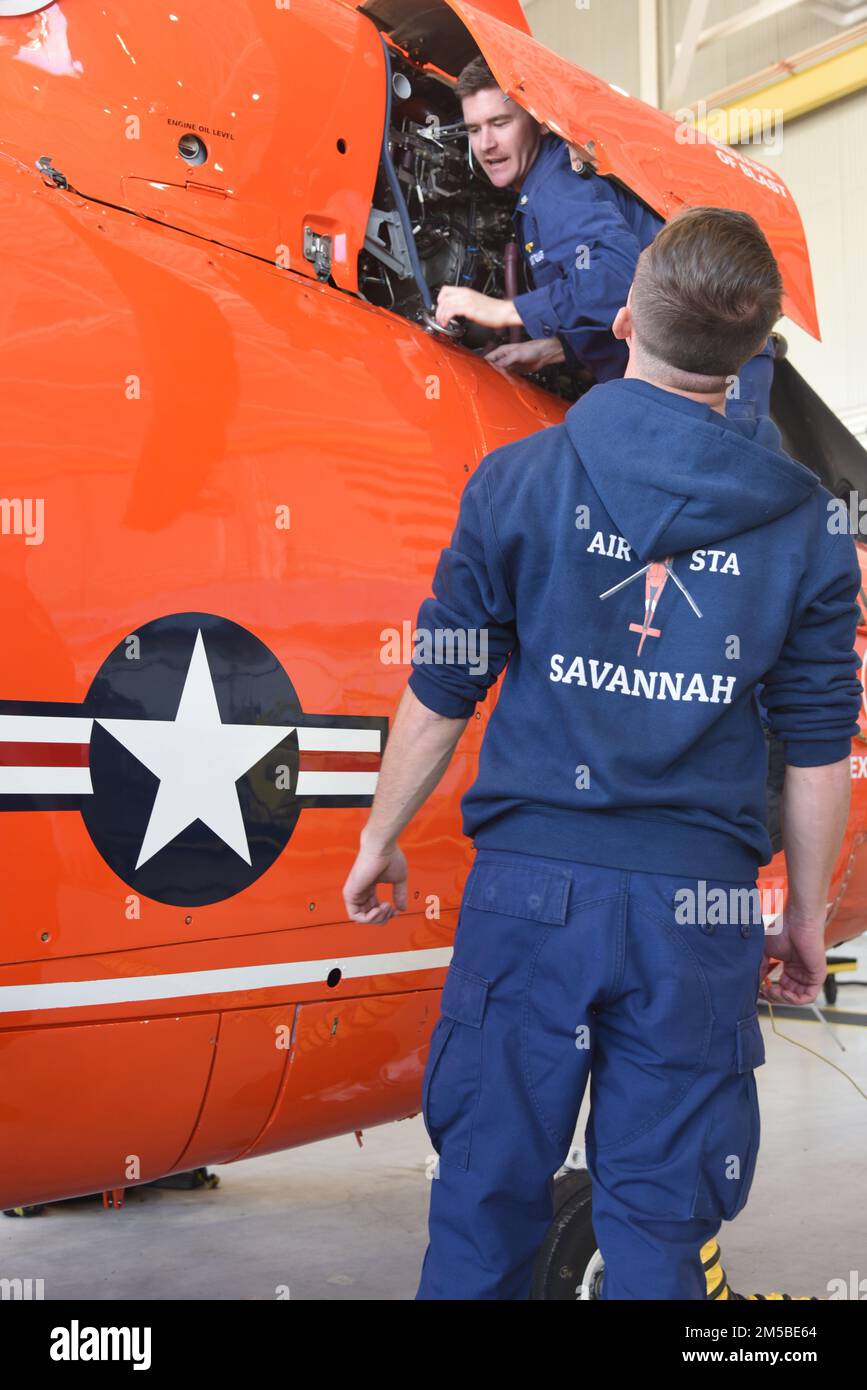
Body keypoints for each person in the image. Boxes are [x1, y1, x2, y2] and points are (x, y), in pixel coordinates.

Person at [341, 205, 862, 1300]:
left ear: (623, 318)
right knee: (661, 1226)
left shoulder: (516, 481)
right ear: (751, 356)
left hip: (528, 898)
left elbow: (441, 685)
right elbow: (819, 746)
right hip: (699, 914)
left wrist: (379, 838)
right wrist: (806, 919)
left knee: (483, 1199)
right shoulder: (809, 527)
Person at [435, 55, 775, 419]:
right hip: (696, 372)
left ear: (539, 122)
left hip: (708, 375)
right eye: (474, 129)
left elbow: (613, 277)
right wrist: (554, 349)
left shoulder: (556, 183)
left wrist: (504, 310)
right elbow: (622, 305)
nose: (486, 143)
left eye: (500, 123)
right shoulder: (546, 184)